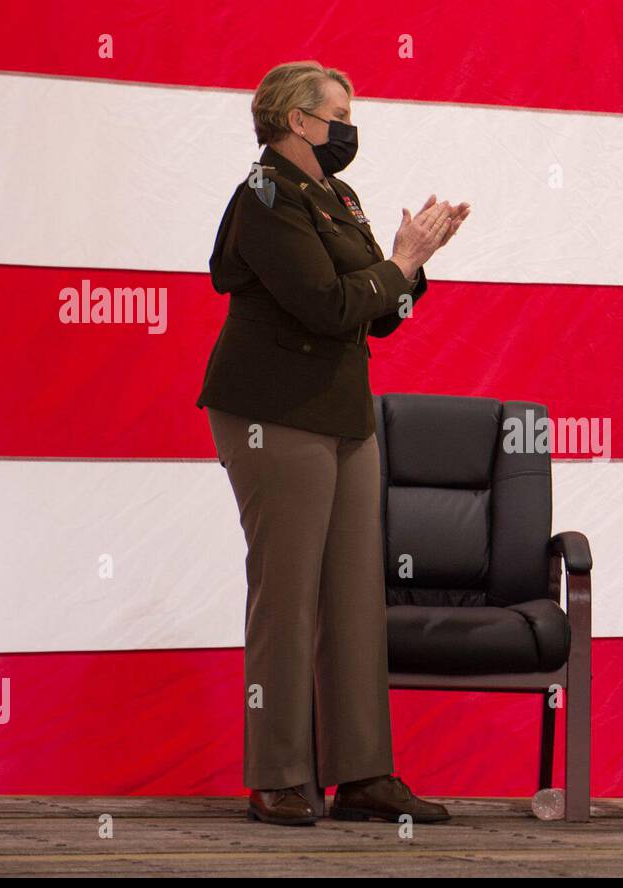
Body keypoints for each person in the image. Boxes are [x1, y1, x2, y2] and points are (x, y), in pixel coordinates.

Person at [196, 61, 469, 826]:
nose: (349, 127)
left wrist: (416, 266)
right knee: (287, 594)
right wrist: (401, 263)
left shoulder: (339, 197)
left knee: (355, 595)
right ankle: (278, 775)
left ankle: (362, 773)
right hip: (272, 413)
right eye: (338, 114)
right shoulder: (265, 198)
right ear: (294, 120)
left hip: (343, 412)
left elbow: (378, 315)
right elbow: (324, 306)